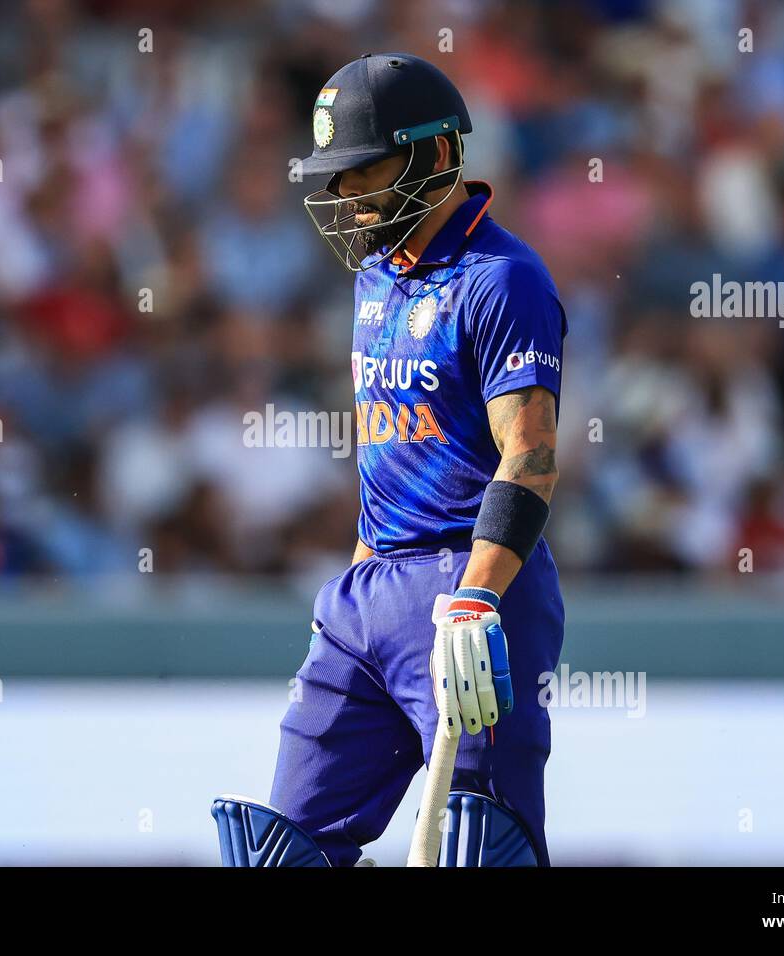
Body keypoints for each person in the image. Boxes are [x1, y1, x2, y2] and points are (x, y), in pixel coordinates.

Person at [213, 53, 567, 867]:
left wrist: (476, 599)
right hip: (365, 603)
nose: (346, 195)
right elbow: (391, 451)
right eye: (337, 176)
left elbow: (532, 453)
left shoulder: (502, 279)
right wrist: (355, 586)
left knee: (482, 853)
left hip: (468, 598)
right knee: (282, 854)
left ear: (438, 155)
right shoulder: (377, 276)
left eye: (364, 169)